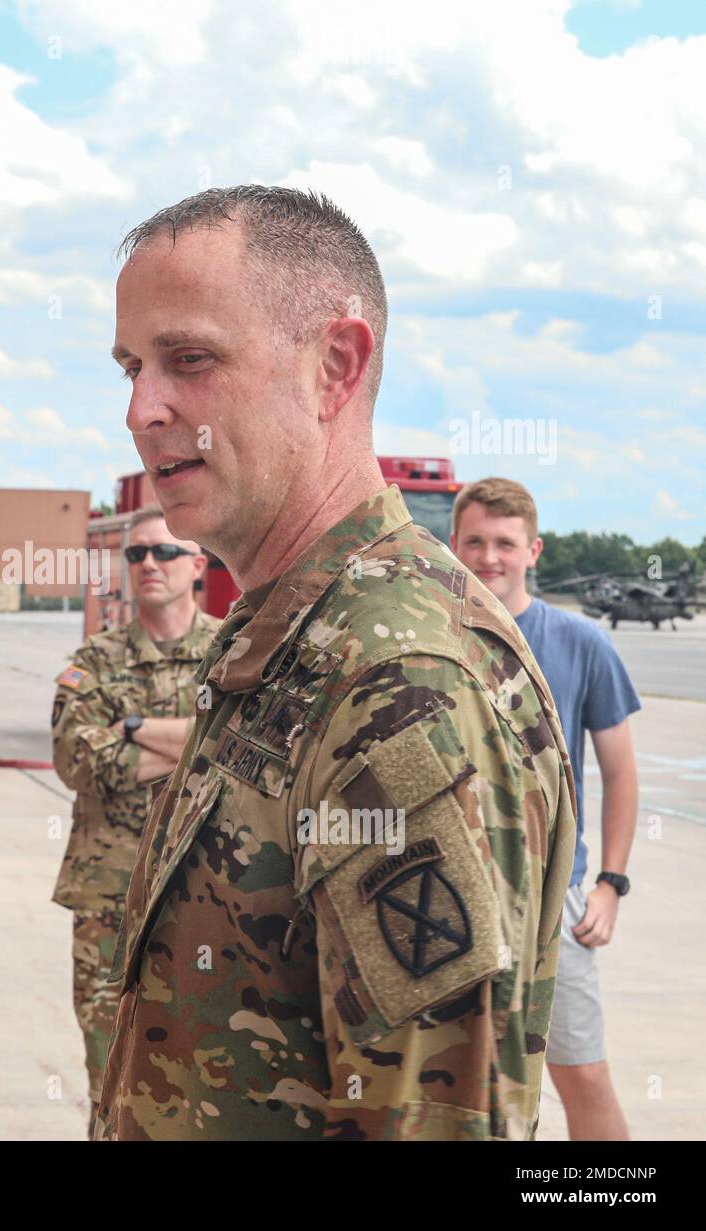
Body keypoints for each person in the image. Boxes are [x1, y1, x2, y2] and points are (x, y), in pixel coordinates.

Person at [94, 185, 576, 1141]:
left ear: (334, 367)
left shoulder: (399, 686)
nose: (143, 409)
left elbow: (432, 1121)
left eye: (188, 359)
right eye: (130, 368)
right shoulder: (289, 636)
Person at [451, 477, 639, 1140]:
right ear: (454, 545)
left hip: (549, 896)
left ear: (534, 549)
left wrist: (611, 884)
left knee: (580, 1073)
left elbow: (619, 774)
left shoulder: (583, 644)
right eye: (474, 540)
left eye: (505, 542)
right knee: (459, 1083)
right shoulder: (429, 635)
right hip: (448, 894)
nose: (488, 555)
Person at [51, 506, 221, 1135]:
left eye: (166, 553)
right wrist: (189, 744)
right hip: (110, 896)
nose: (150, 564)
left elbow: (245, 749)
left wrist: (128, 729)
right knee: (110, 1070)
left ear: (198, 565)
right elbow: (74, 757)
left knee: (208, 1072)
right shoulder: (93, 659)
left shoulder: (233, 652)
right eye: (137, 555)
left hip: (214, 897)